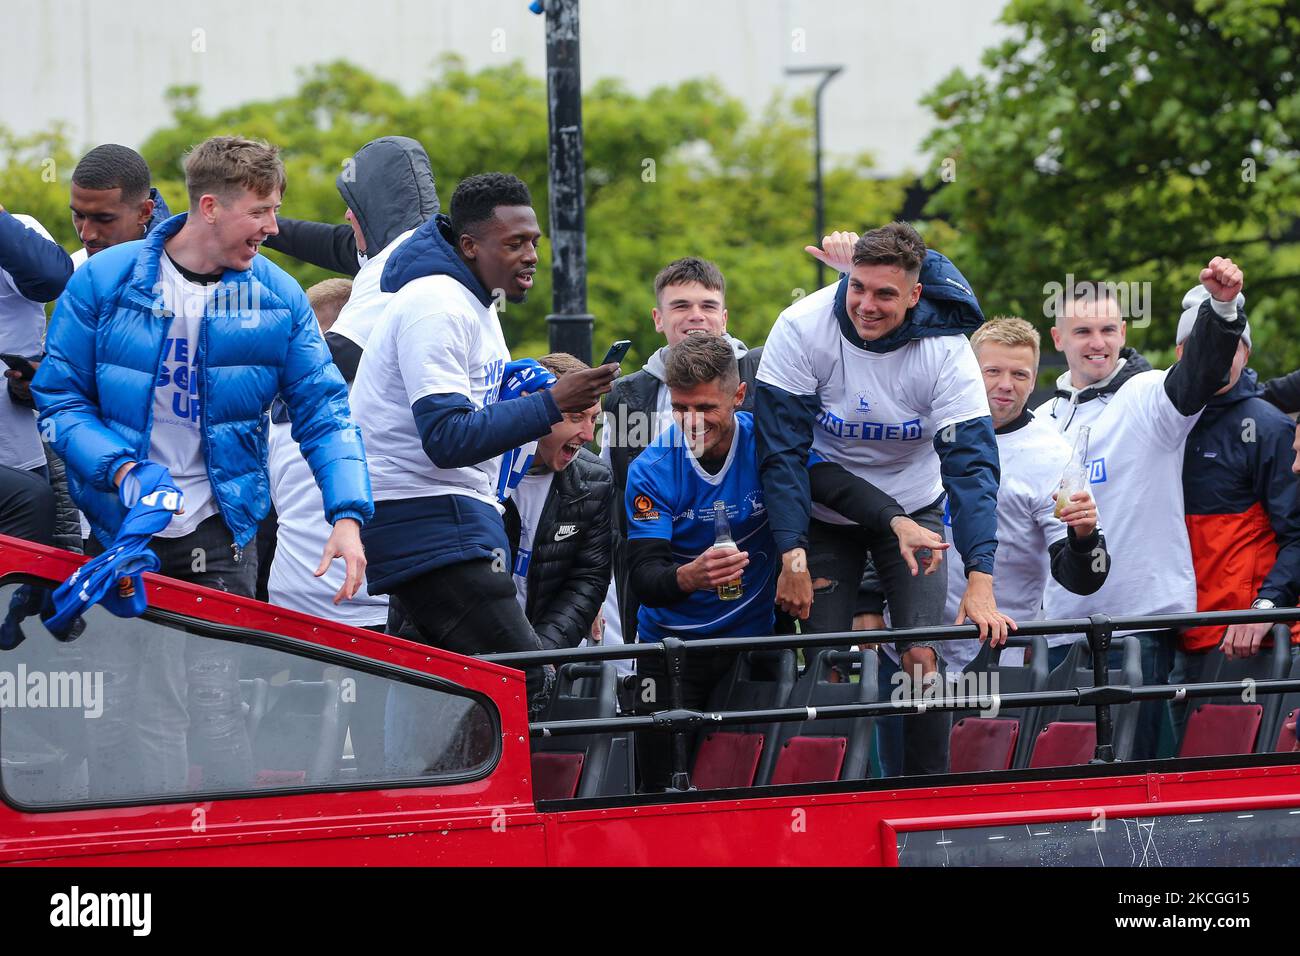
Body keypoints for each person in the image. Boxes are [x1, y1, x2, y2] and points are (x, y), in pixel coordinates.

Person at [33, 135, 373, 796]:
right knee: (120, 719)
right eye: (263, 211)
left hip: (221, 533)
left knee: (209, 712)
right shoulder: (104, 282)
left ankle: (219, 843)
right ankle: (129, 848)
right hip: (121, 529)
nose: (274, 228)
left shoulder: (274, 296)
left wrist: (349, 513)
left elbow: (325, 410)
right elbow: (58, 398)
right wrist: (121, 472)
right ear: (212, 207)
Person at [349, 171, 616, 714]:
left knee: (453, 699)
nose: (531, 256)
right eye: (514, 243)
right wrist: (551, 403)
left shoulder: (476, 305)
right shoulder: (437, 304)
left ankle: (435, 798)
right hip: (424, 517)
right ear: (469, 245)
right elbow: (445, 438)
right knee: (523, 685)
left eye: (534, 243)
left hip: (451, 514)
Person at [755, 222, 1009, 776]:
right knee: (830, 659)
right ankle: (825, 802)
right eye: (858, 288)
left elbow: (970, 467)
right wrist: (791, 554)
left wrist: (981, 576)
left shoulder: (944, 349)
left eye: (886, 294)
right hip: (825, 507)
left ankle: (926, 800)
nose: (867, 306)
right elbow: (781, 456)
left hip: (915, 508)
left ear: (916, 295)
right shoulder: (801, 326)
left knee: (920, 656)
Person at [1036, 262, 1248, 759]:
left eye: (1108, 329)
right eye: (1083, 331)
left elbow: (1201, 371)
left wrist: (1221, 308)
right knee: (1067, 774)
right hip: (1060, 629)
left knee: (1140, 778)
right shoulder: (1043, 418)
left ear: (1123, 331)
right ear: (1058, 336)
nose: (1097, 342)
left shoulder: (1150, 395)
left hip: (1139, 628)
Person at [601, 257, 764, 648]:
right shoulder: (626, 394)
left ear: (724, 317)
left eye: (707, 306)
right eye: (681, 306)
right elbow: (607, 498)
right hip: (657, 592)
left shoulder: (762, 374)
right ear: (658, 318)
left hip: (754, 601)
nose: (696, 316)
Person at [1174, 298, 1300, 735]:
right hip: (1170, 637)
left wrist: (1263, 608)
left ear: (1246, 352)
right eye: (1204, 346)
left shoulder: (1268, 427)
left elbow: (1298, 536)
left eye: (1232, 347)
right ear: (1180, 354)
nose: (1219, 358)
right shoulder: (1164, 421)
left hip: (1245, 645)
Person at [261, 136, 439, 381]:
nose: (346, 215)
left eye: (354, 205)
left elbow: (336, 356)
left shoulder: (401, 265)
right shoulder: (425, 246)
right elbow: (328, 243)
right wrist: (254, 223)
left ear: (377, 210)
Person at [503, 353, 613, 650]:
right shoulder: (480, 470)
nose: (589, 434)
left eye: (594, 419)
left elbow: (588, 581)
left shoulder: (596, 480)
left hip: (543, 659)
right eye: (575, 417)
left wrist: (543, 657)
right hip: (463, 658)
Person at [69, 143, 173, 267]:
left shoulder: (180, 273)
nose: (86, 235)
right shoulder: (76, 265)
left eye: (104, 219)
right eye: (79, 215)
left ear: (144, 212)